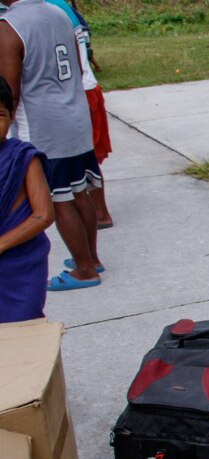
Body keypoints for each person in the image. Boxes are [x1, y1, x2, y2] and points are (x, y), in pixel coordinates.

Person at [0, 0, 105, 291]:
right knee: (79, 192)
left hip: (42, 126)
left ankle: (85, 270)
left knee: (57, 202)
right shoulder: (59, 12)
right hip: (75, 116)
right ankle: (91, 258)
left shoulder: (10, 26)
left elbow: (9, 93)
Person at [47, 0, 114, 230]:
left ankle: (101, 213)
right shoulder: (60, 7)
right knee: (85, 163)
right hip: (81, 91)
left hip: (78, 92)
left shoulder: (49, 9)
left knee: (84, 163)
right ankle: (99, 213)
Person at [0, 76, 55, 322]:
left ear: (11, 117)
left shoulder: (23, 157)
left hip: (20, 265)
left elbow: (43, 215)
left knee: (25, 330)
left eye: (0, 115)